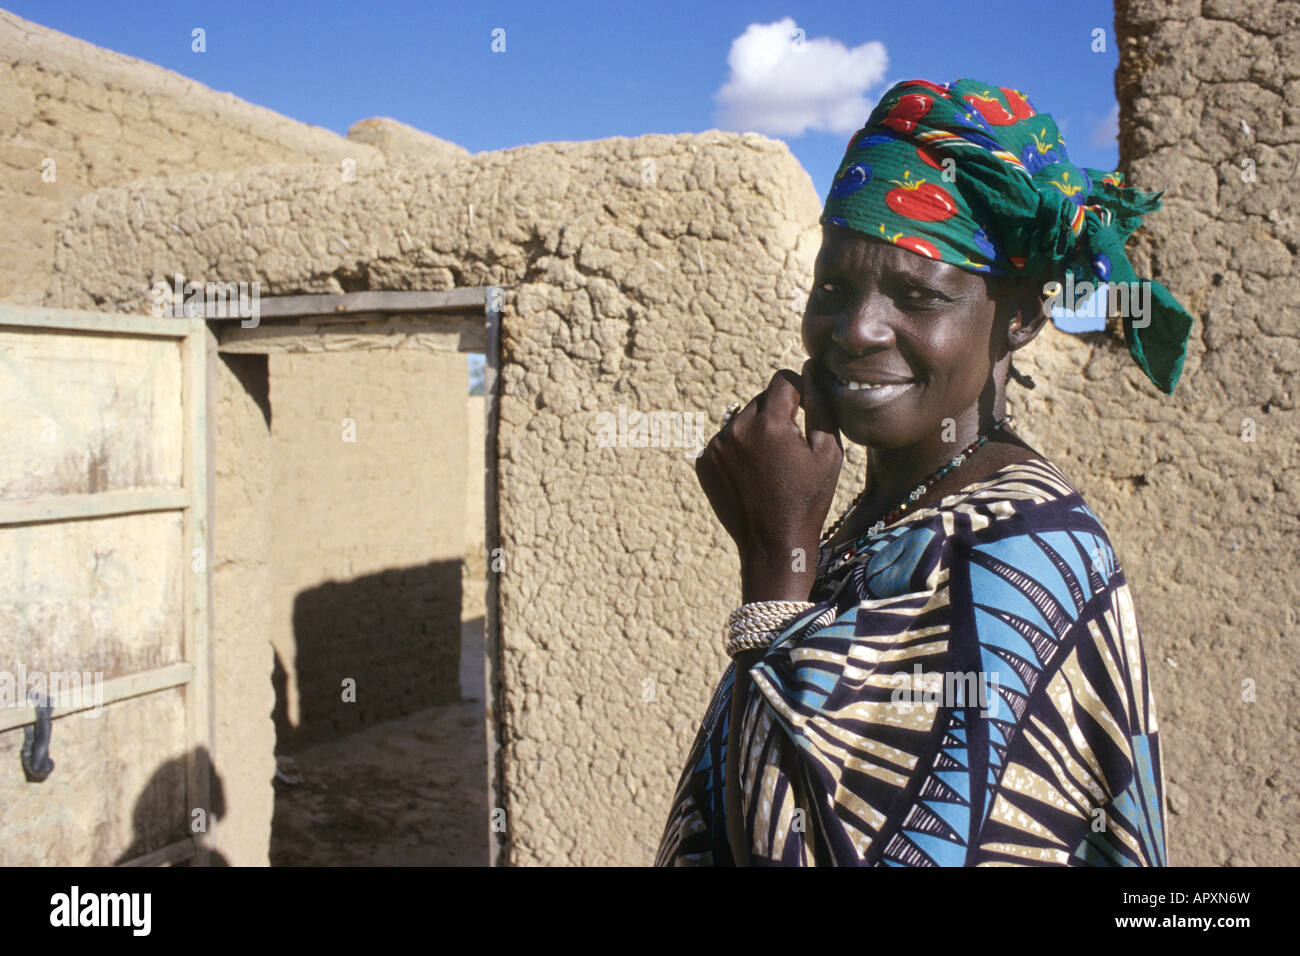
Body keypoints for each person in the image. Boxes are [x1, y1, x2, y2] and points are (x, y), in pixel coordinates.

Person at [655, 78, 1193, 866]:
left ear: (1021, 315)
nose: (856, 330)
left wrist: (776, 564)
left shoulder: (1016, 550)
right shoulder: (887, 514)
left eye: (916, 295)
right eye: (832, 287)